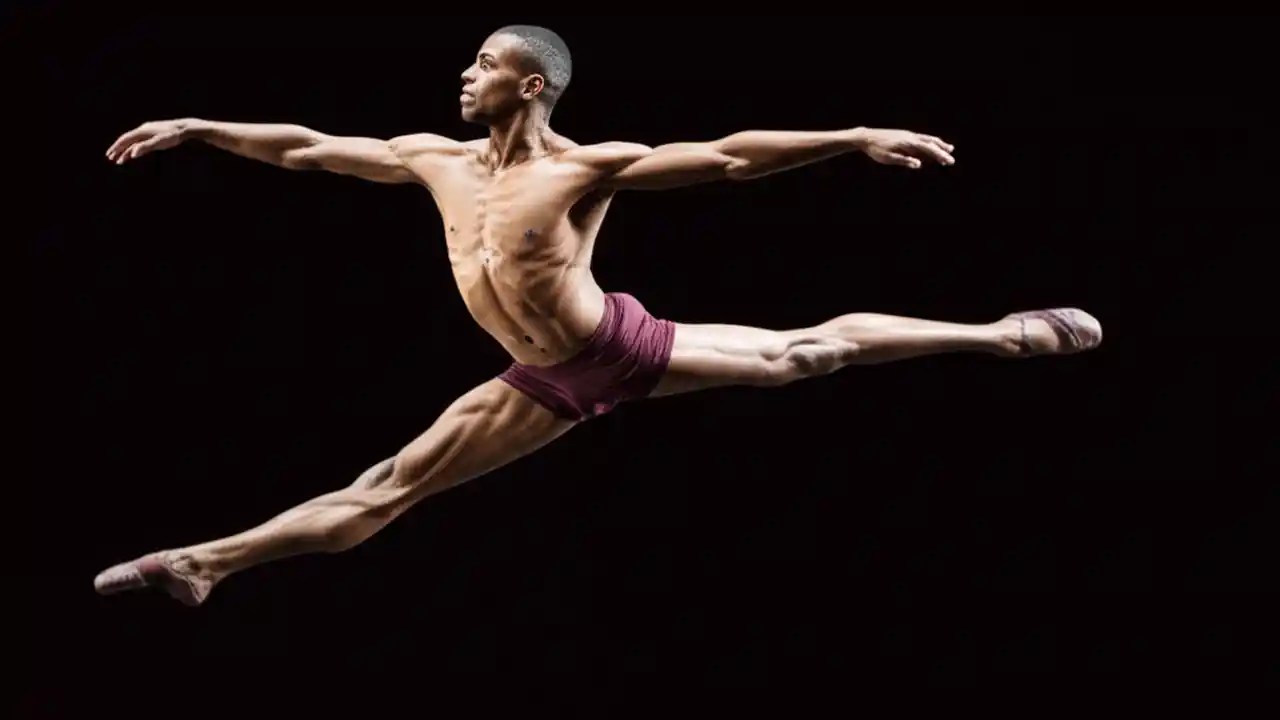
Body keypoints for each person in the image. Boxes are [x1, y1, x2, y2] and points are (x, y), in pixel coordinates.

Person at [94, 25, 1101, 606]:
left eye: (483, 63)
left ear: (528, 84)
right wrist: (200, 126)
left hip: (615, 343)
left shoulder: (584, 169)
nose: (464, 75)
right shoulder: (431, 159)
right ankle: (201, 565)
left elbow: (729, 156)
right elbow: (306, 148)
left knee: (808, 353)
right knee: (387, 488)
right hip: (541, 378)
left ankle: (998, 334)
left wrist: (851, 134)